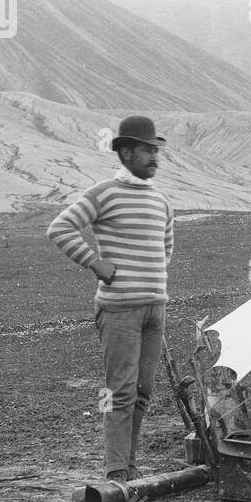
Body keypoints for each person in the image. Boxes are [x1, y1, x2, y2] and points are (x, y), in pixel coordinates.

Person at [49, 115, 174, 482]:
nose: (155, 157)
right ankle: (117, 471)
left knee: (144, 391)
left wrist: (147, 279)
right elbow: (60, 228)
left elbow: (165, 248)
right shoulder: (104, 193)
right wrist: (94, 262)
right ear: (125, 152)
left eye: (156, 150)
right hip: (118, 311)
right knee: (120, 390)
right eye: (147, 150)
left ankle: (131, 465)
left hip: (156, 310)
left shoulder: (162, 201)